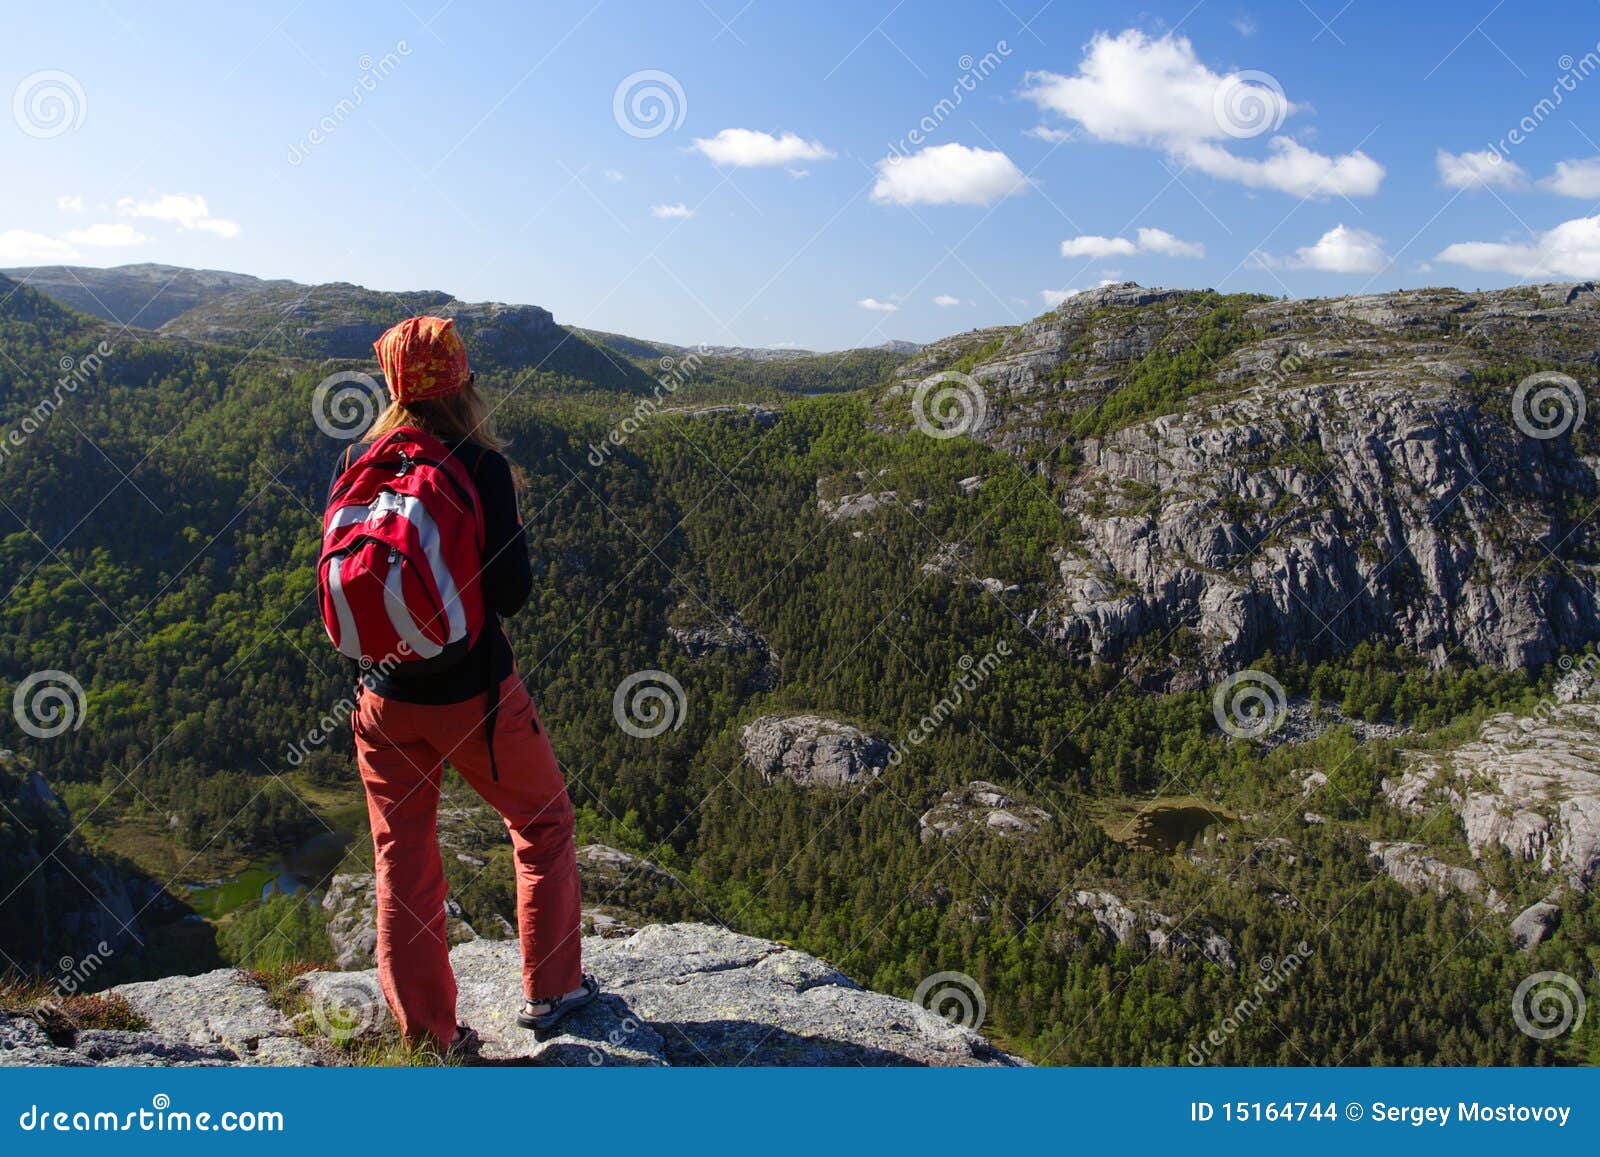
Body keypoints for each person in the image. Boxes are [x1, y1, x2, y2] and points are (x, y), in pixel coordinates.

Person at [326, 316, 596, 1054]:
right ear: (464, 381)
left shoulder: (359, 457)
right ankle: (553, 989)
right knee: (542, 825)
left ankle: (429, 1036)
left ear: (391, 384)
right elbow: (511, 593)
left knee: (402, 859)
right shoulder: (479, 466)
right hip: (475, 698)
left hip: (381, 701)